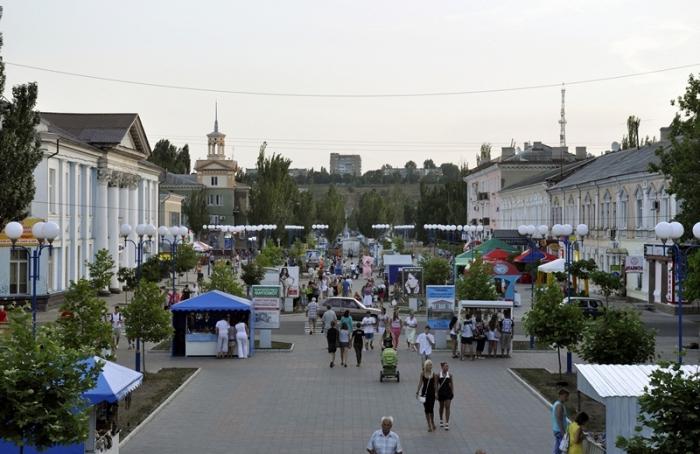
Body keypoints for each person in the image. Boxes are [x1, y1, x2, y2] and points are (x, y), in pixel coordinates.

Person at [416, 359, 438, 432]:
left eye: (431, 365)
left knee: (431, 409)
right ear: (426, 366)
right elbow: (420, 383)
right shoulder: (422, 374)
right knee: (426, 409)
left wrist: (436, 393)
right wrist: (417, 391)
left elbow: (435, 385)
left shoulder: (433, 374)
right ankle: (429, 425)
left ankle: (432, 422)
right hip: (424, 393)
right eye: (429, 365)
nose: (430, 366)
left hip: (431, 394)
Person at [551, 389, 570, 454]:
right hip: (560, 431)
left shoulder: (558, 404)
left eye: (567, 396)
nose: (567, 398)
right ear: (560, 395)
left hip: (557, 430)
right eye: (565, 396)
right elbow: (559, 419)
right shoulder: (559, 405)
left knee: (557, 449)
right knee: (564, 449)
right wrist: (563, 433)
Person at [437, 362, 454, 431]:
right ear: (442, 367)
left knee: (447, 406)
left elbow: (451, 384)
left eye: (447, 366)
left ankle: (447, 423)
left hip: (448, 393)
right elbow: (435, 385)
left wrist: (452, 392)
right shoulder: (438, 375)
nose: (447, 368)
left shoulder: (450, 375)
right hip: (441, 393)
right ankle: (441, 419)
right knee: (441, 407)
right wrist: (436, 393)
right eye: (445, 366)